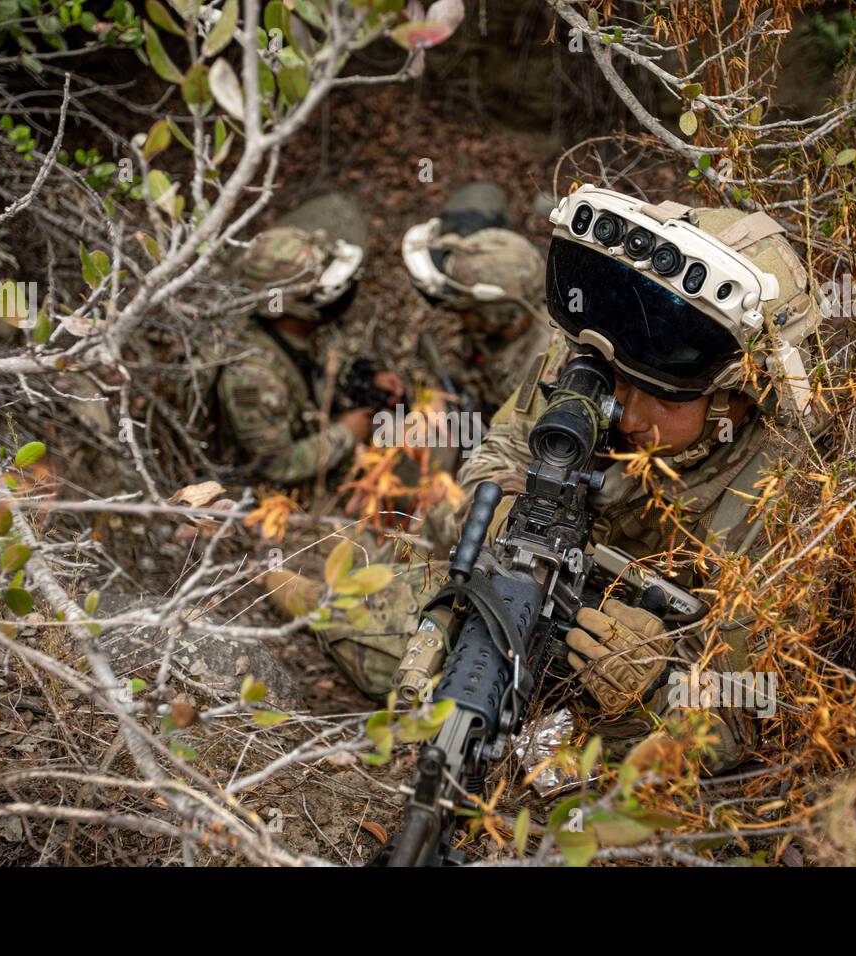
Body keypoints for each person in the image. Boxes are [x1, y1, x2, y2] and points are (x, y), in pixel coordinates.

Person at [439, 185, 824, 773]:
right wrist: (499, 518)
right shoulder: (587, 360)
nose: (627, 413)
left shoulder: (782, 492)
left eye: (665, 399)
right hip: (526, 609)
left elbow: (752, 711)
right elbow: (495, 457)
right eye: (618, 381)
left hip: (624, 681)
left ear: (741, 395)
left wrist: (654, 682)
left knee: (576, 769)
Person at [214, 193, 403, 488]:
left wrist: (367, 377)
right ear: (292, 306)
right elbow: (275, 465)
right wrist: (345, 433)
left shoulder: (293, 331)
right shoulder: (251, 378)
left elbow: (313, 364)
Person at [401, 182, 553, 418]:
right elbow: (462, 363)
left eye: (466, 310)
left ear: (499, 316)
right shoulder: (492, 332)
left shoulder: (544, 373)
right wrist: (438, 393)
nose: (459, 316)